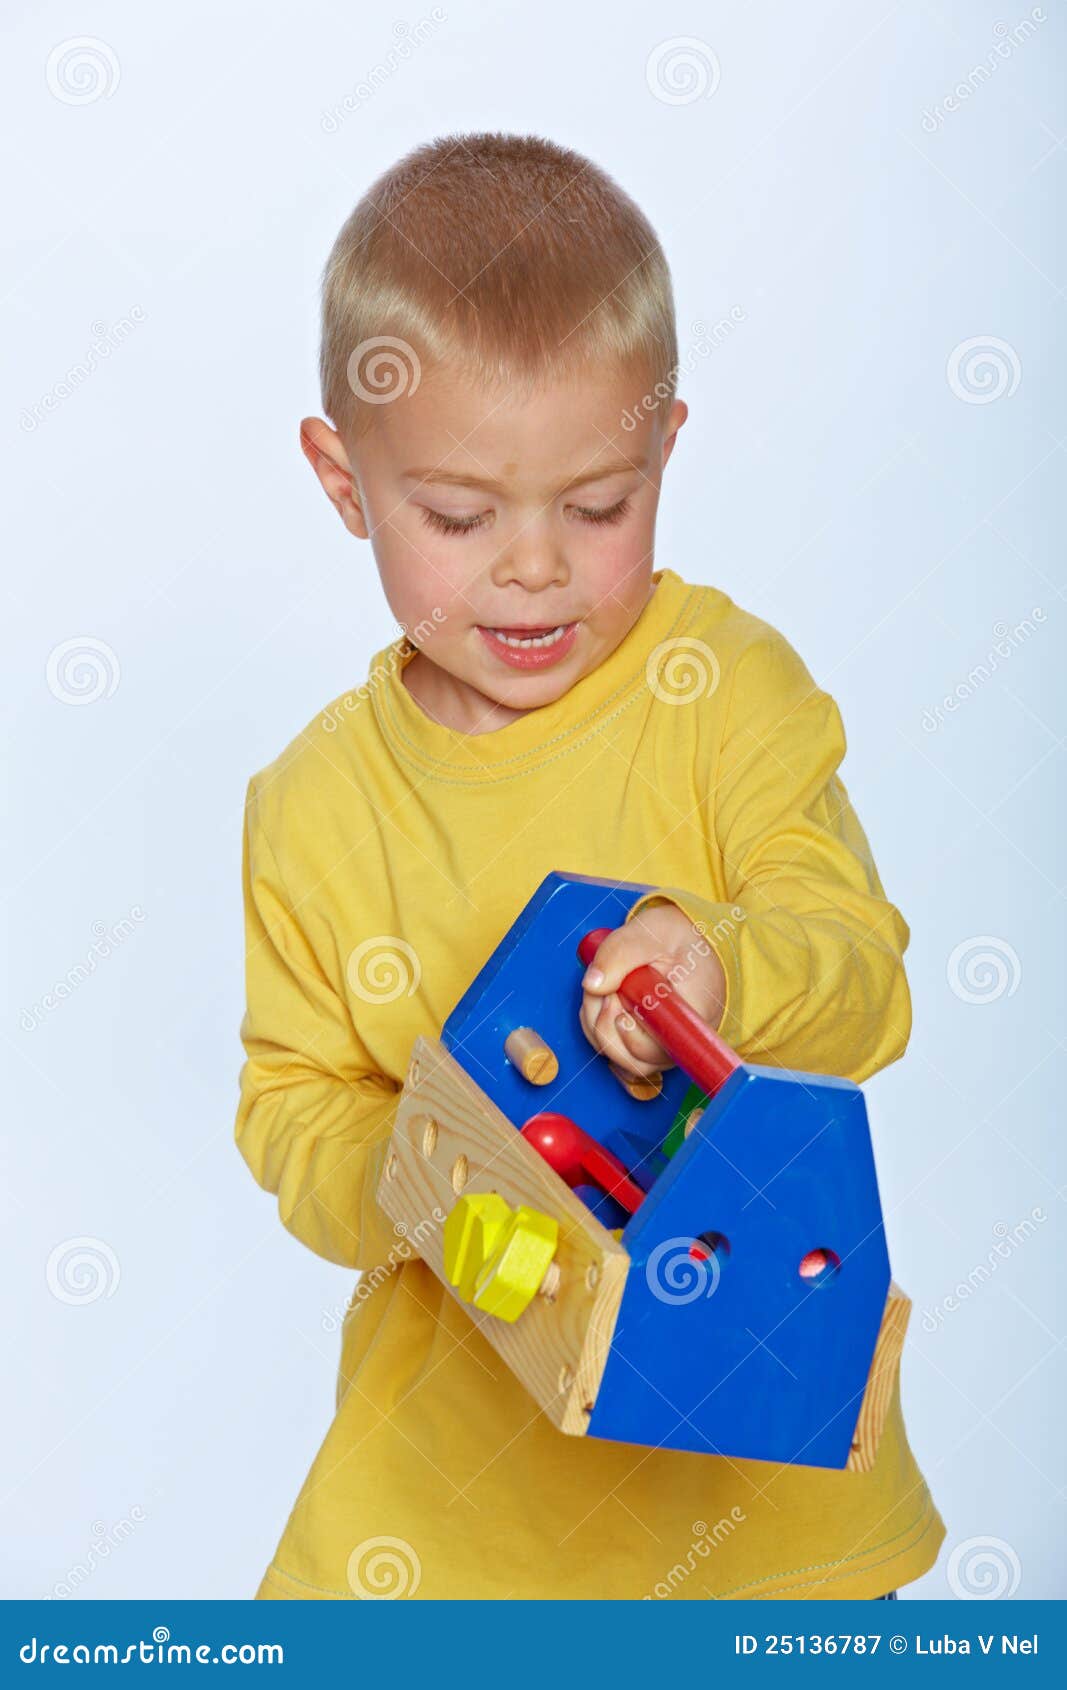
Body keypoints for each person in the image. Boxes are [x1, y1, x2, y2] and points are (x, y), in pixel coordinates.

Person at [235, 131, 944, 1600]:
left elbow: (864, 975)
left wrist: (718, 955)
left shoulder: (727, 690)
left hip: (767, 1537)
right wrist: (416, 1173)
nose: (537, 566)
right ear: (342, 476)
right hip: (437, 1544)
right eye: (458, 515)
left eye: (600, 503)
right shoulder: (311, 805)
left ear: (667, 444)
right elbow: (292, 1104)